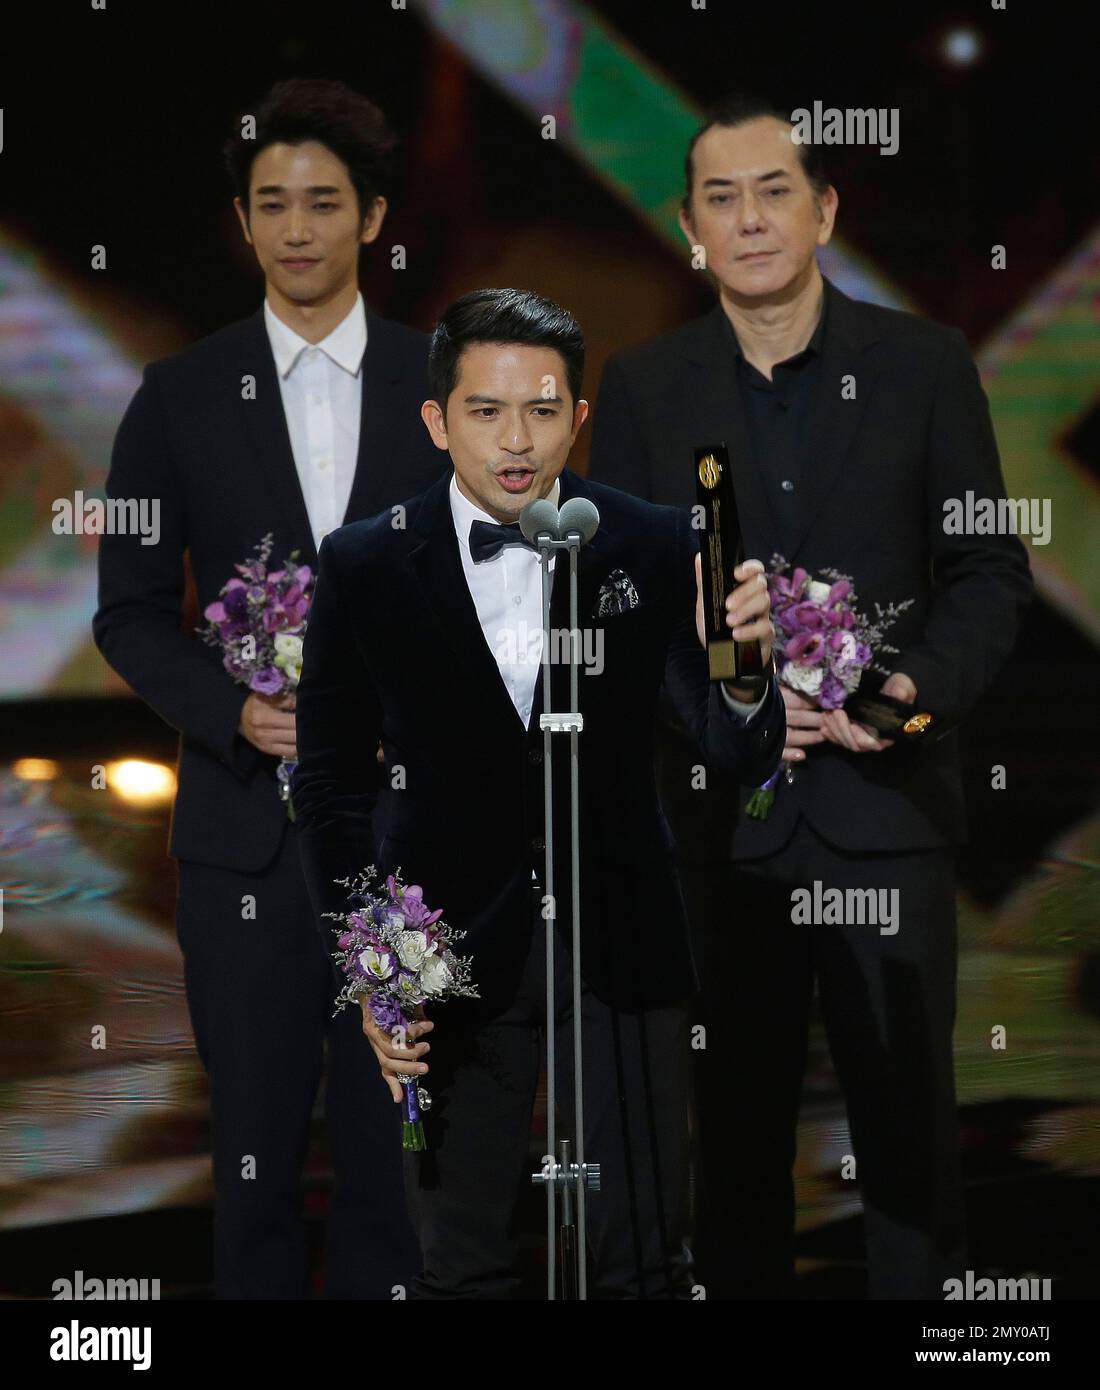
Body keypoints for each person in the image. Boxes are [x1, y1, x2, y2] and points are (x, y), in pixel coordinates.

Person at [587, 95, 1033, 1298]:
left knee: (906, 1142)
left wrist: (905, 694)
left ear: (823, 209)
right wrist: (717, 713)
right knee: (731, 1147)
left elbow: (987, 570)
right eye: (719, 199)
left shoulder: (924, 365)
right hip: (723, 833)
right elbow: (613, 608)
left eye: (772, 188)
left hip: (885, 812)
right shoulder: (641, 387)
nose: (747, 218)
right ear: (689, 231)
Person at [291, 287, 785, 1299]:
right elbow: (333, 785)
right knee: (460, 1259)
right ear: (436, 420)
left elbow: (737, 753)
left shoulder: (651, 543)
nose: (516, 441)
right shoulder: (366, 562)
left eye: (543, 410)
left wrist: (740, 669)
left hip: (622, 943)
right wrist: (376, 970)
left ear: (579, 417)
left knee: (643, 1255)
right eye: (485, 411)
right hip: (446, 954)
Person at [93, 78, 448, 1299]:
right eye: (272, 205)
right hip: (243, 843)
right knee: (248, 1176)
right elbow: (128, 609)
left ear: (373, 217)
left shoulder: (443, 384)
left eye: (324, 203)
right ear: (241, 224)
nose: (298, 228)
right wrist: (233, 709)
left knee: (394, 1168)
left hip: (405, 849)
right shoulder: (177, 396)